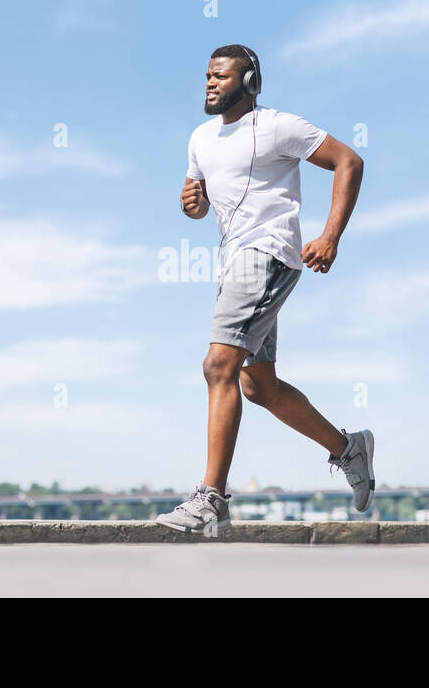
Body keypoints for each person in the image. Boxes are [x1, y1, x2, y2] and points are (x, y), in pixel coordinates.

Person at [155, 44, 372, 534]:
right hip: (232, 263)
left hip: (267, 254)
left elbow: (348, 161)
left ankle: (211, 498)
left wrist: (330, 235)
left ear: (249, 81)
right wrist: (193, 203)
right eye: (207, 76)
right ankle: (348, 448)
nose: (210, 83)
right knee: (258, 385)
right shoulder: (200, 139)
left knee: (218, 365)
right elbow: (200, 204)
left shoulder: (277, 127)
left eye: (221, 76)